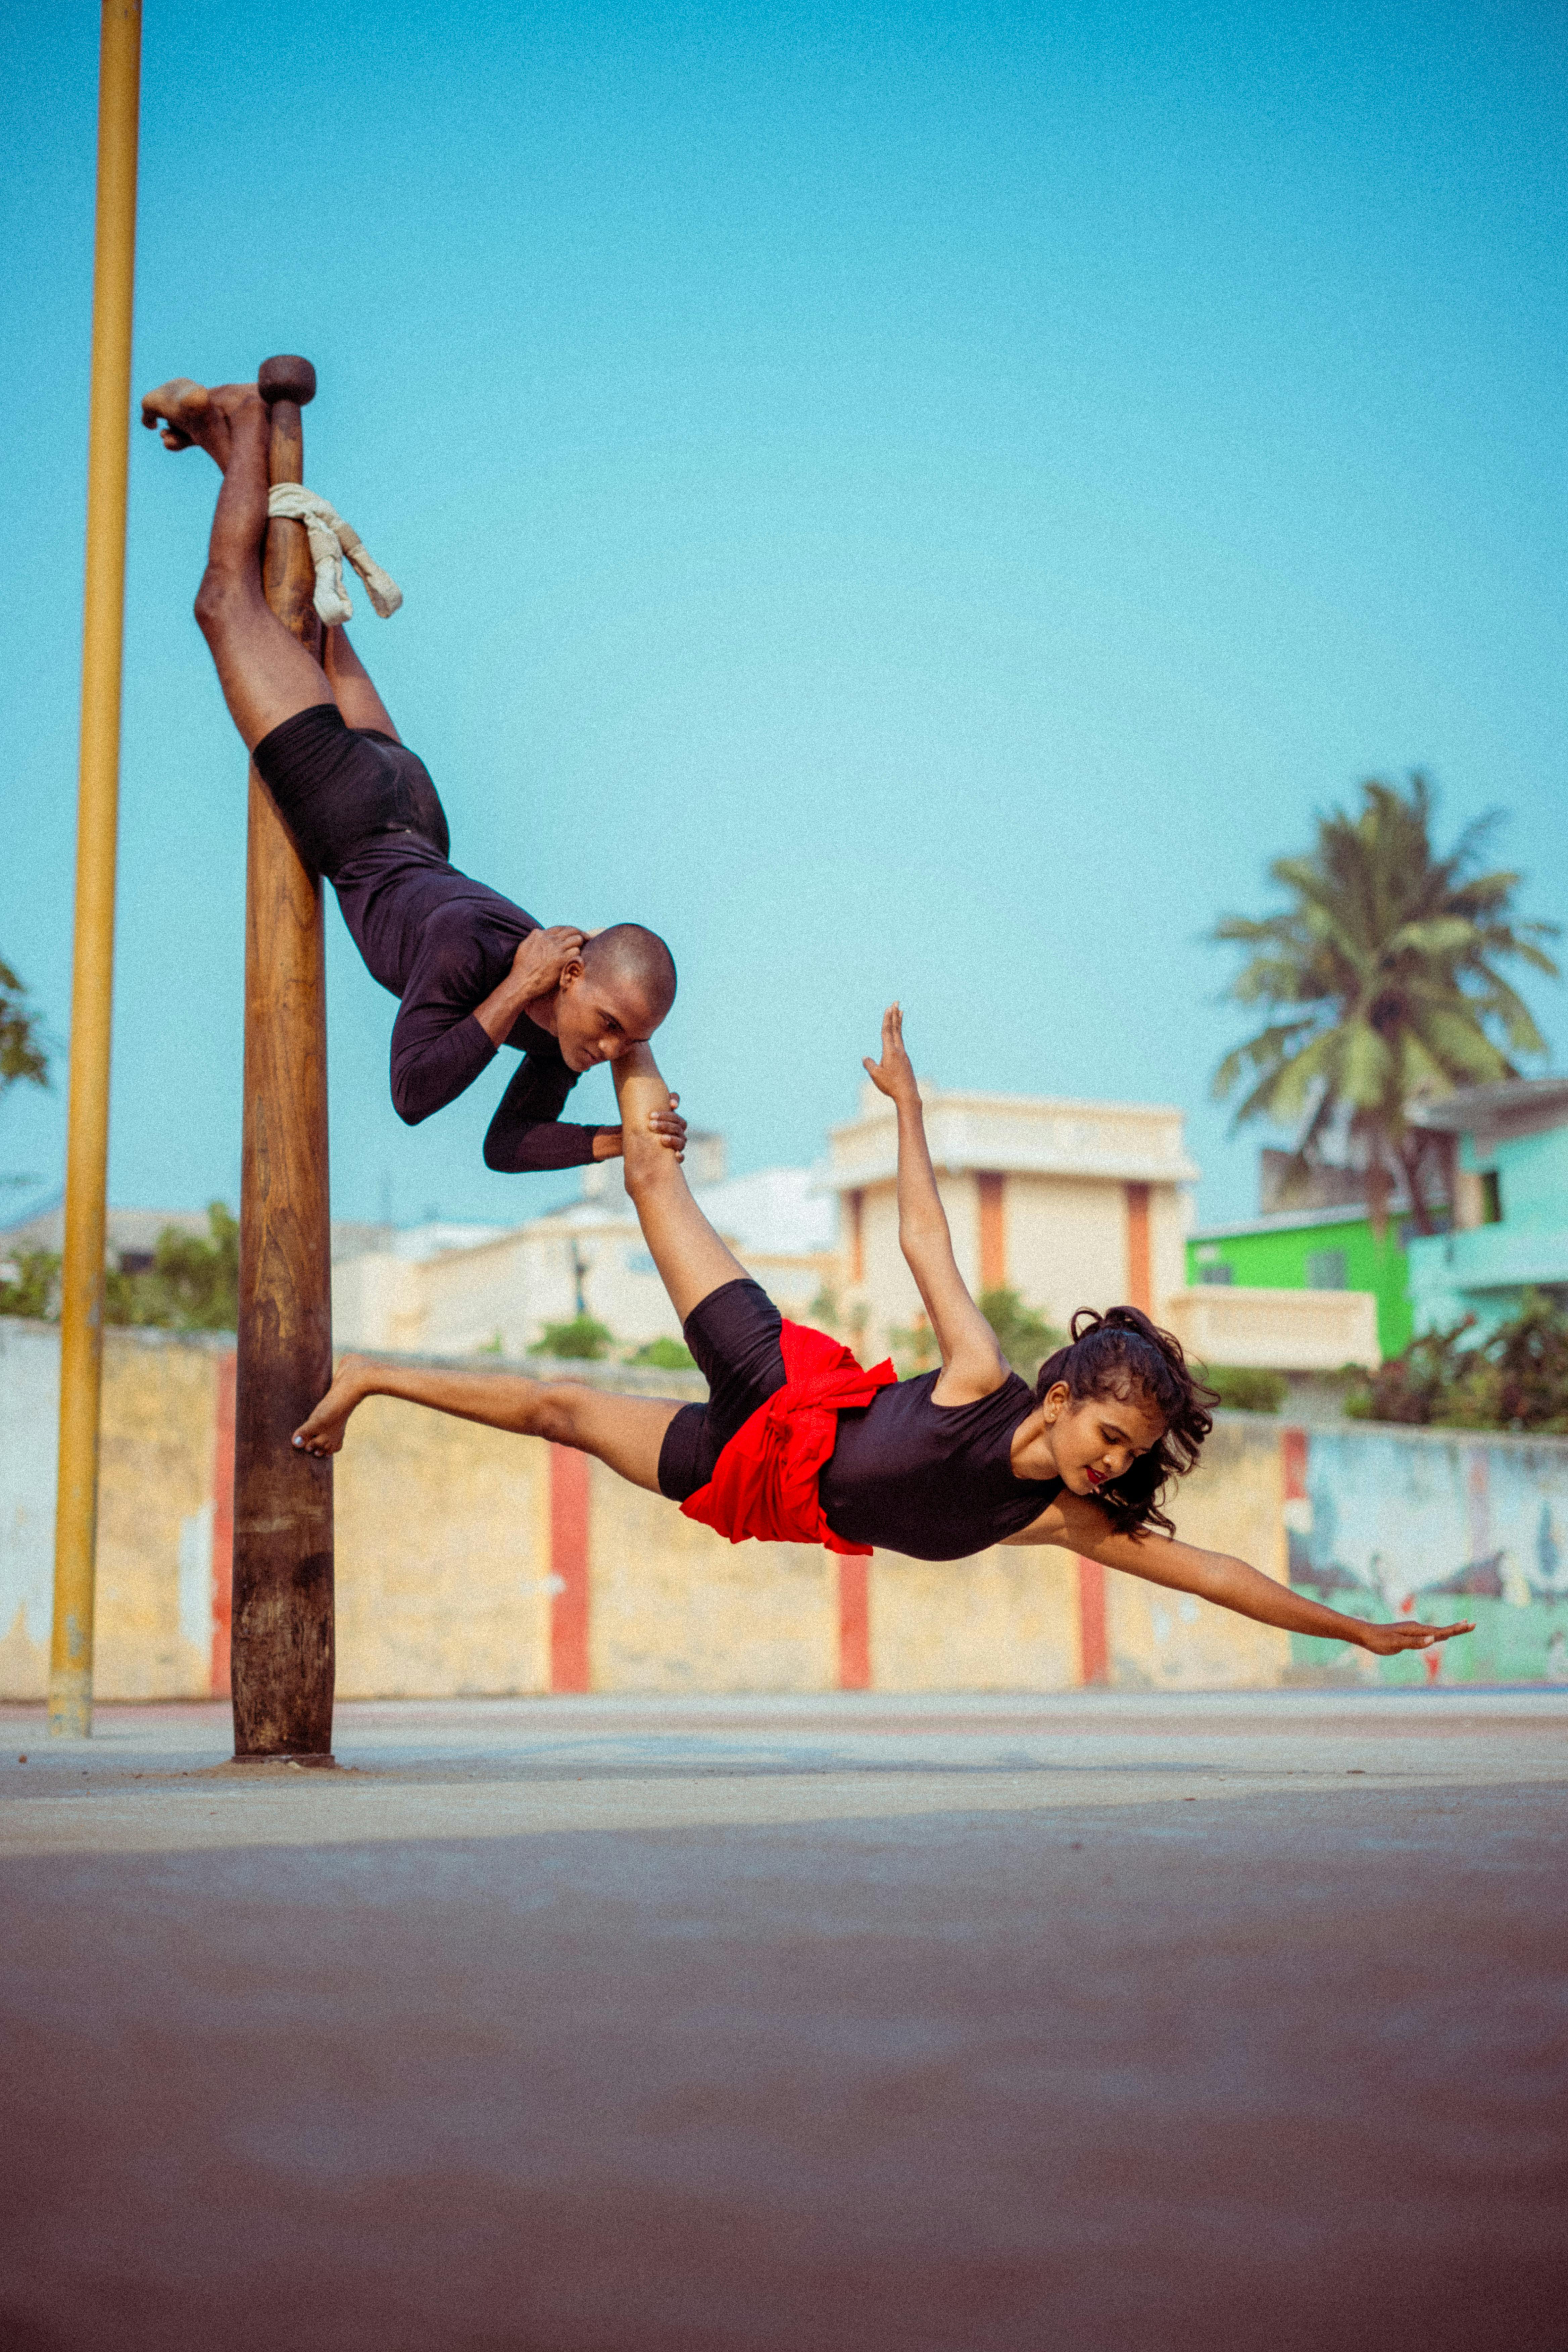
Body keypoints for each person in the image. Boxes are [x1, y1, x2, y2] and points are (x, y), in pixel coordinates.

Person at [293, 1004, 1474, 1663]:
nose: (1113, 1462)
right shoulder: (982, 1376)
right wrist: (910, 1108)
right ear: (1063, 1398)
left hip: (759, 1481)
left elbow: (1213, 1573)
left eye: (1129, 1453)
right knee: (655, 1181)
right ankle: (629, 1013)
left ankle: (375, 1373)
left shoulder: (1063, 1516)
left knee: (561, 1411)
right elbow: (922, 1238)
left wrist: (1354, 1630)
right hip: (775, 1379)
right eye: (1110, 1433)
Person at [140, 376, 686, 1175]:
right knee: (224, 605)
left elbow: (506, 1146)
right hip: (354, 812)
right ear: (570, 974)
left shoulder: (555, 1031)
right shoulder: (473, 954)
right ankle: (248, 419)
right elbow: (412, 1091)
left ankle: (228, 445)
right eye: (609, 1024)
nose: (609, 1052)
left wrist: (621, 1139)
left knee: (307, 622)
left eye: (627, 1041)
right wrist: (514, 989)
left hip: (410, 808)